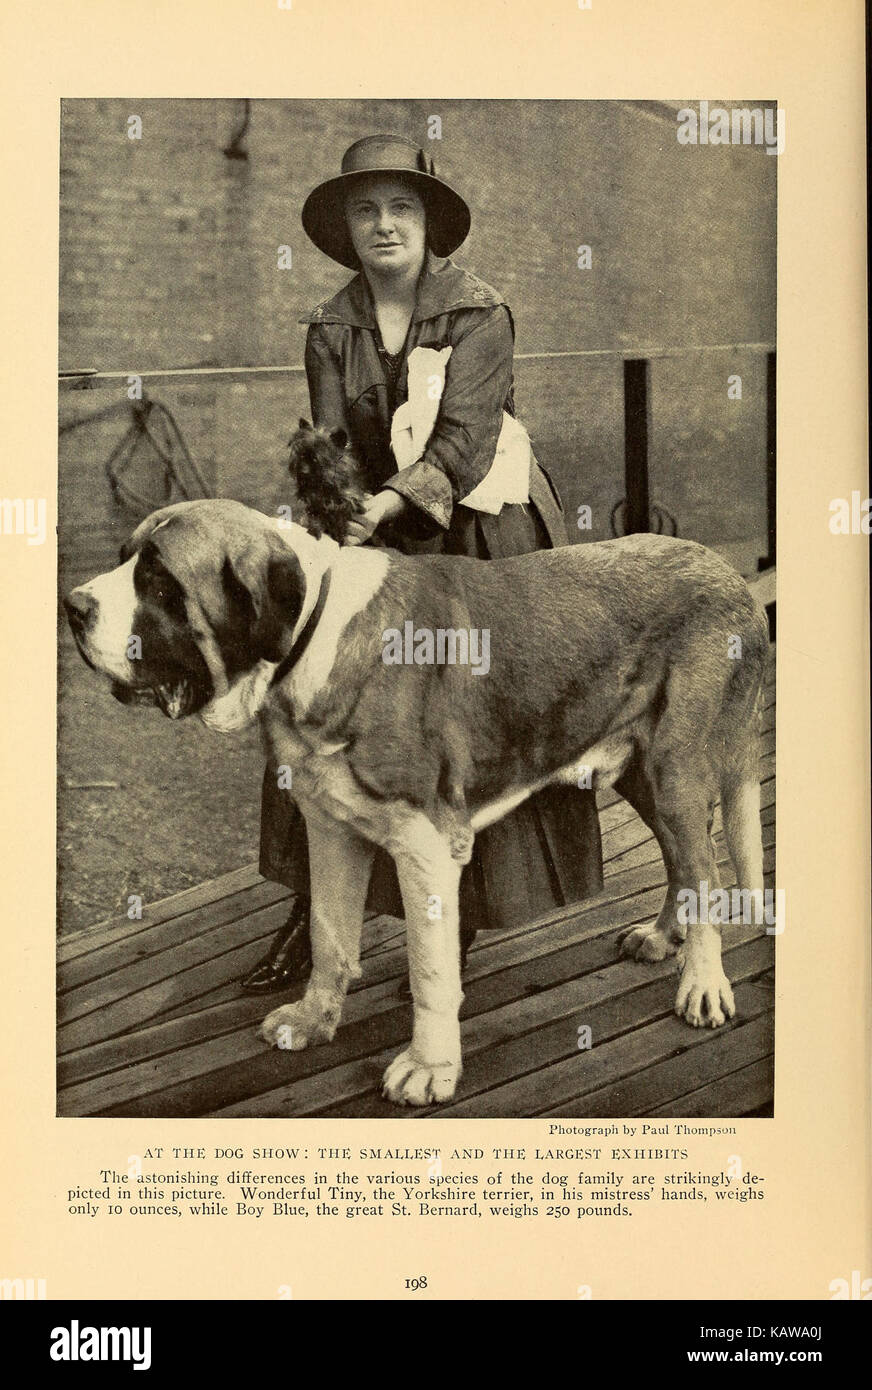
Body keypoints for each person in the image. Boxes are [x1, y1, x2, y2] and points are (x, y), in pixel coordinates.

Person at [242, 132, 603, 993]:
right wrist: (335, 512)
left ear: (429, 222)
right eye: (365, 210)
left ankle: (461, 921)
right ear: (346, 227)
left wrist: (392, 506)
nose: (384, 224)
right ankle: (313, 909)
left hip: (477, 522)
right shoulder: (331, 325)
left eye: (401, 207)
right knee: (309, 689)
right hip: (370, 521)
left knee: (462, 709)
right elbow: (328, 437)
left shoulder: (481, 312)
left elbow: (466, 444)